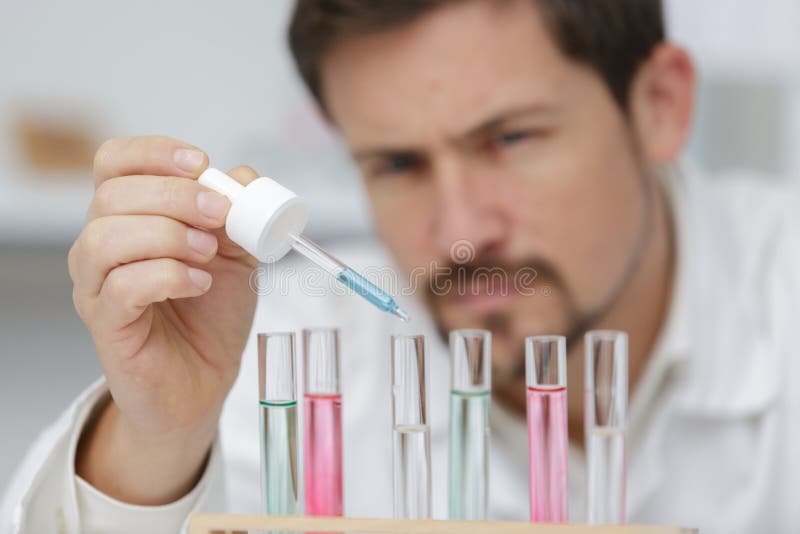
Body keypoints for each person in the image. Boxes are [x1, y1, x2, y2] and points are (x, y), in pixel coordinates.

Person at [3, 1, 799, 532]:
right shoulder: (280, 342)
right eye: (396, 163)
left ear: (659, 104)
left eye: (511, 139)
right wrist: (158, 439)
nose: (459, 232)